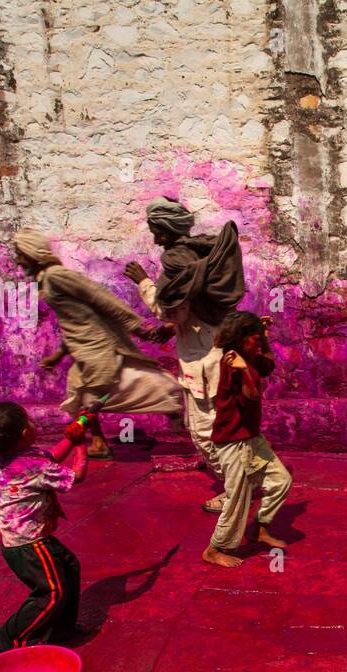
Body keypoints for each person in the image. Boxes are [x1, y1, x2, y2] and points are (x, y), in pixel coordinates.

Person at [12, 229, 181, 460]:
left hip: (96, 348)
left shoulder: (56, 276)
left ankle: (171, 401)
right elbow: (72, 322)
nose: (18, 259)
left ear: (32, 254)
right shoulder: (48, 279)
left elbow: (101, 298)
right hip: (84, 348)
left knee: (94, 396)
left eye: (20, 254)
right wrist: (59, 355)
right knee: (82, 396)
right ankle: (100, 442)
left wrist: (139, 328)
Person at [125, 198, 247, 511]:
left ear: (165, 231)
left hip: (203, 361)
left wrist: (142, 281)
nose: (153, 238)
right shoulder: (203, 251)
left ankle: (236, 493)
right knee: (229, 423)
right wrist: (174, 326)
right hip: (223, 349)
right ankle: (248, 478)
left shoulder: (177, 260)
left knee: (205, 431)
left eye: (155, 231)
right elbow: (189, 308)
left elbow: (167, 307)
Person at [0, 401, 89, 660]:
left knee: (69, 567)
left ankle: (59, 631)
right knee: (51, 592)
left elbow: (52, 457)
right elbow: (76, 475)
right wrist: (81, 444)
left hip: (28, 538)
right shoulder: (32, 467)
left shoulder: (17, 457)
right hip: (27, 544)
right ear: (25, 433)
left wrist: (70, 436)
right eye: (30, 421)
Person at [202, 311, 293, 569]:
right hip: (232, 441)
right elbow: (251, 395)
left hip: (251, 437)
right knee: (238, 499)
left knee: (281, 480)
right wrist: (242, 369)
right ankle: (215, 548)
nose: (258, 343)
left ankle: (259, 529)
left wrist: (264, 338)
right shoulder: (232, 362)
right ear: (241, 339)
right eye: (254, 339)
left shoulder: (249, 354)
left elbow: (268, 366)